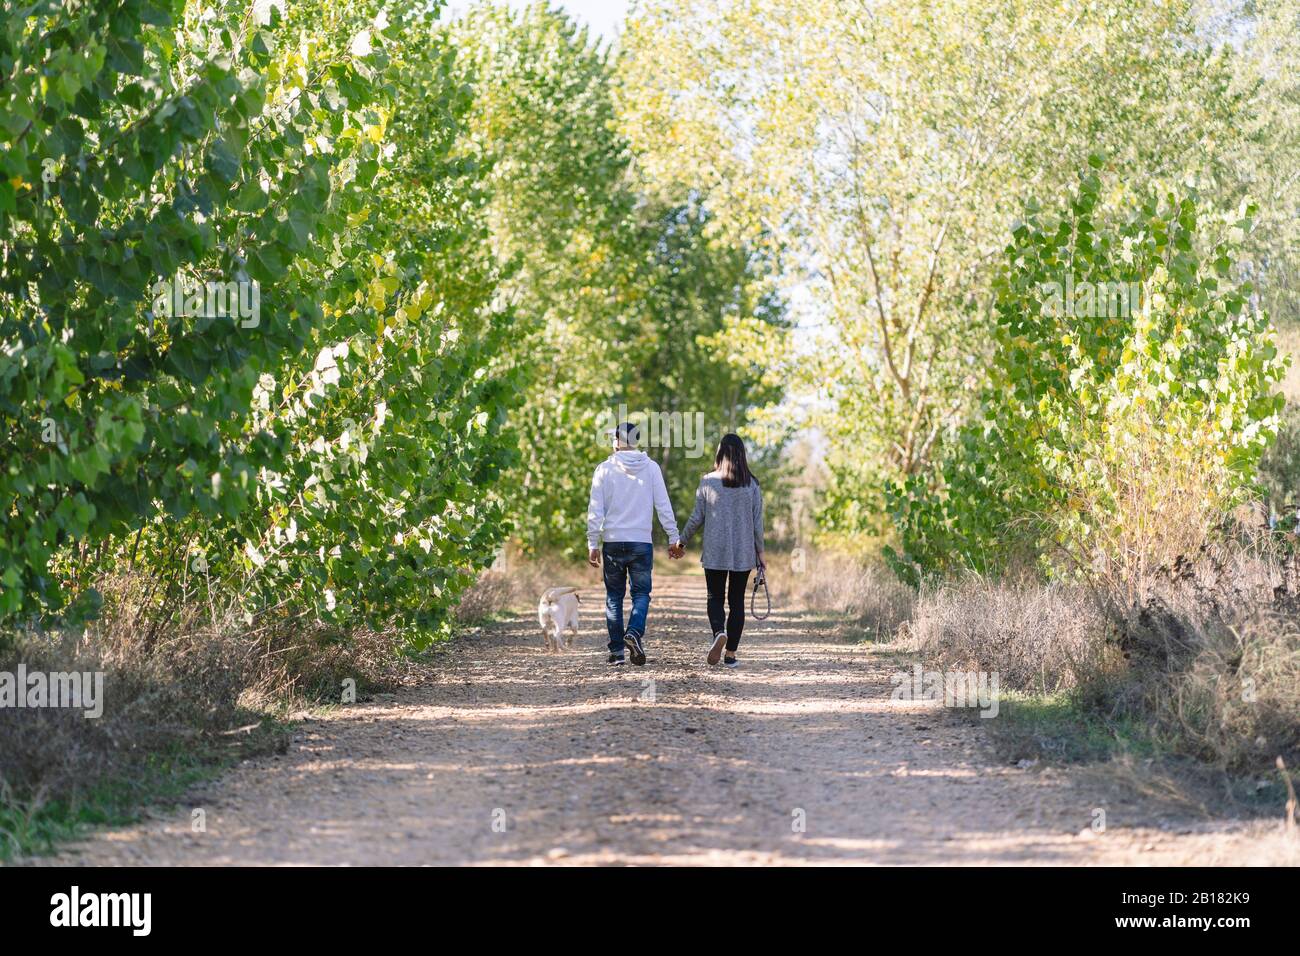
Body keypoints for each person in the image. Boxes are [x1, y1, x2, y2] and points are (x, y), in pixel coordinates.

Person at [586, 422, 683, 666]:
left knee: (614, 596)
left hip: (613, 542)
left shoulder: (604, 469)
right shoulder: (651, 468)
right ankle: (634, 632)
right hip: (641, 541)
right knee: (641, 593)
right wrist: (673, 537)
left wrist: (592, 542)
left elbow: (595, 510)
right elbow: (663, 505)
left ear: (618, 441)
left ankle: (617, 652)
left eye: (613, 438)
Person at [677, 434, 765, 667]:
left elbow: (697, 518)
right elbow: (758, 524)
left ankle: (718, 633)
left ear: (720, 453)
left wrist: (681, 542)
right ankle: (731, 655)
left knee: (714, 597)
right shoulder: (752, 485)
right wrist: (761, 555)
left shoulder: (708, 481)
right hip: (743, 552)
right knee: (737, 602)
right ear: (742, 454)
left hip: (716, 551)